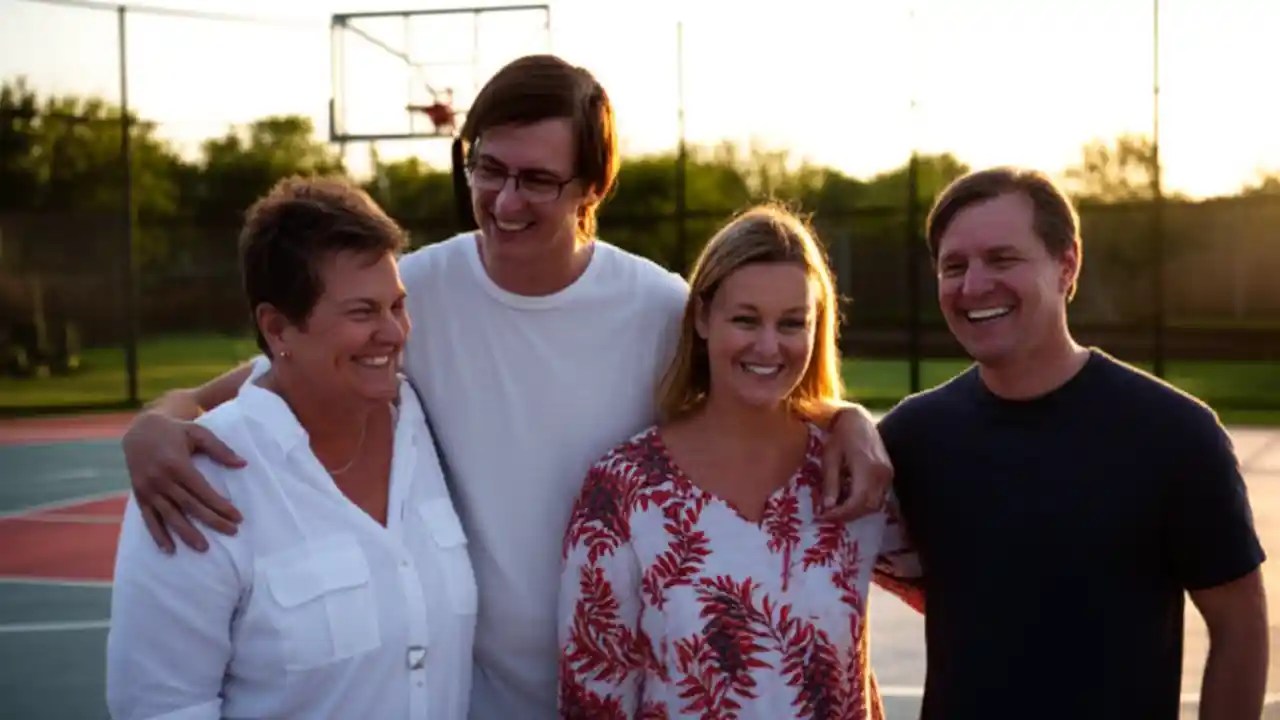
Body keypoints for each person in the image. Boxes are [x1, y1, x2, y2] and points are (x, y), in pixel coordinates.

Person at [117, 55, 893, 720]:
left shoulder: (656, 309)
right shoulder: (415, 295)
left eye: (537, 180)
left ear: (592, 187)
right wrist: (163, 417)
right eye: (487, 168)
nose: (505, 199)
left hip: (623, 688)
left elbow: (757, 379)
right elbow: (270, 370)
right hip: (473, 695)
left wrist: (848, 416)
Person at [877, 167, 1269, 719]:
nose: (973, 285)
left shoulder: (1174, 433)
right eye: (954, 266)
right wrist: (846, 420)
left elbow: (1239, 627)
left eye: (1003, 258)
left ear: (1067, 264)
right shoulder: (910, 437)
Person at [106, 176, 476, 720]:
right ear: (278, 327)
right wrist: (159, 419)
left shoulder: (425, 416)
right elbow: (163, 707)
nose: (393, 333)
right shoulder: (199, 480)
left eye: (396, 306)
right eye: (361, 312)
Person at [556, 204, 924, 719]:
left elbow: (966, 594)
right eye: (746, 319)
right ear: (704, 317)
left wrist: (848, 416)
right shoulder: (624, 492)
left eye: (793, 323)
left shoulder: (849, 471)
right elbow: (593, 696)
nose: (769, 346)